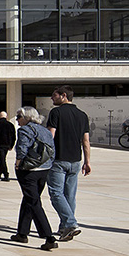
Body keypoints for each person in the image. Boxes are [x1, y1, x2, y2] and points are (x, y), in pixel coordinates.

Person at [46, 85, 92, 242]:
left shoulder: (56, 113)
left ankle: (71, 223)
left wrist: (44, 157)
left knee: (56, 193)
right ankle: (64, 227)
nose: (52, 98)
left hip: (58, 160)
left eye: (54, 95)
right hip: (75, 161)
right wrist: (87, 161)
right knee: (69, 196)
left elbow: (50, 137)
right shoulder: (82, 115)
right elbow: (85, 141)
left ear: (63, 96)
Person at [13, 107, 59, 251]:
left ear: (27, 117)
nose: (17, 119)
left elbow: (22, 149)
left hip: (29, 171)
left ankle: (49, 237)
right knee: (29, 199)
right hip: (44, 169)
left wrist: (18, 164)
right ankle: (22, 232)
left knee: (33, 202)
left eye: (19, 116)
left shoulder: (24, 130)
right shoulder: (44, 130)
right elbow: (52, 149)